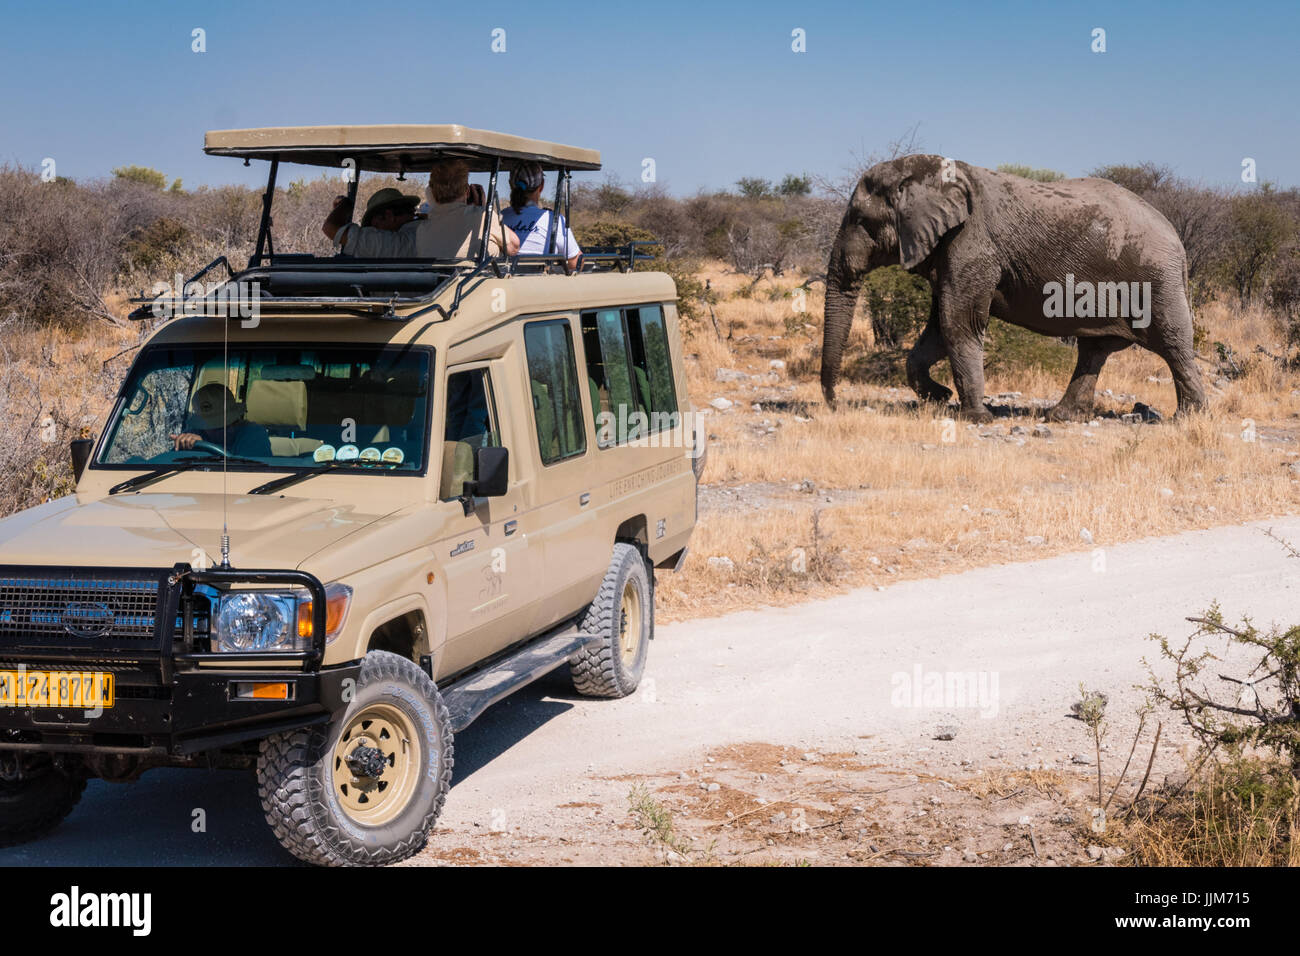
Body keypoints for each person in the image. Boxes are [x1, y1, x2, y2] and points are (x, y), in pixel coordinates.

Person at [323, 158, 520, 259]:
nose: (414, 216)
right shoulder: (410, 235)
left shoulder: (418, 233)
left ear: (432, 192)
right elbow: (514, 246)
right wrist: (478, 212)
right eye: (408, 212)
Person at [501, 161, 582, 272]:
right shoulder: (553, 219)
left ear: (511, 184)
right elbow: (576, 261)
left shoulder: (500, 217)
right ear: (541, 186)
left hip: (505, 283)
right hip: (542, 285)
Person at [169, 383, 272, 458]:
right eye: (219, 427)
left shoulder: (253, 433)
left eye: (232, 422)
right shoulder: (193, 434)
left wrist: (204, 447)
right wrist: (183, 445)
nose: (230, 429)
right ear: (203, 427)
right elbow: (171, 461)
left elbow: (250, 471)